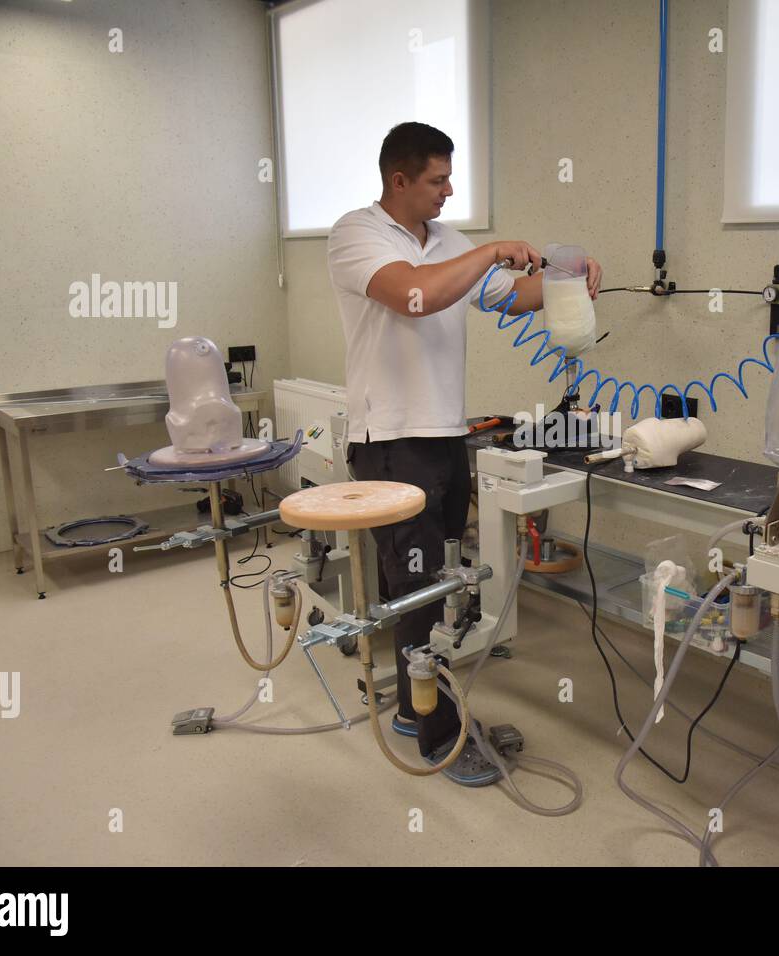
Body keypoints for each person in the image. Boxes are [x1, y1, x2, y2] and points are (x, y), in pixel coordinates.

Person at [327, 121, 601, 785]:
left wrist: (571, 282)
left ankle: (411, 711)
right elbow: (414, 296)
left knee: (429, 586)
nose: (448, 191)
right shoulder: (355, 234)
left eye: (450, 179)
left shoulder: (448, 242)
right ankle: (439, 739)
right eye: (437, 180)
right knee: (420, 591)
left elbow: (511, 295)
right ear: (399, 179)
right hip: (389, 442)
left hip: (445, 436)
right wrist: (492, 252)